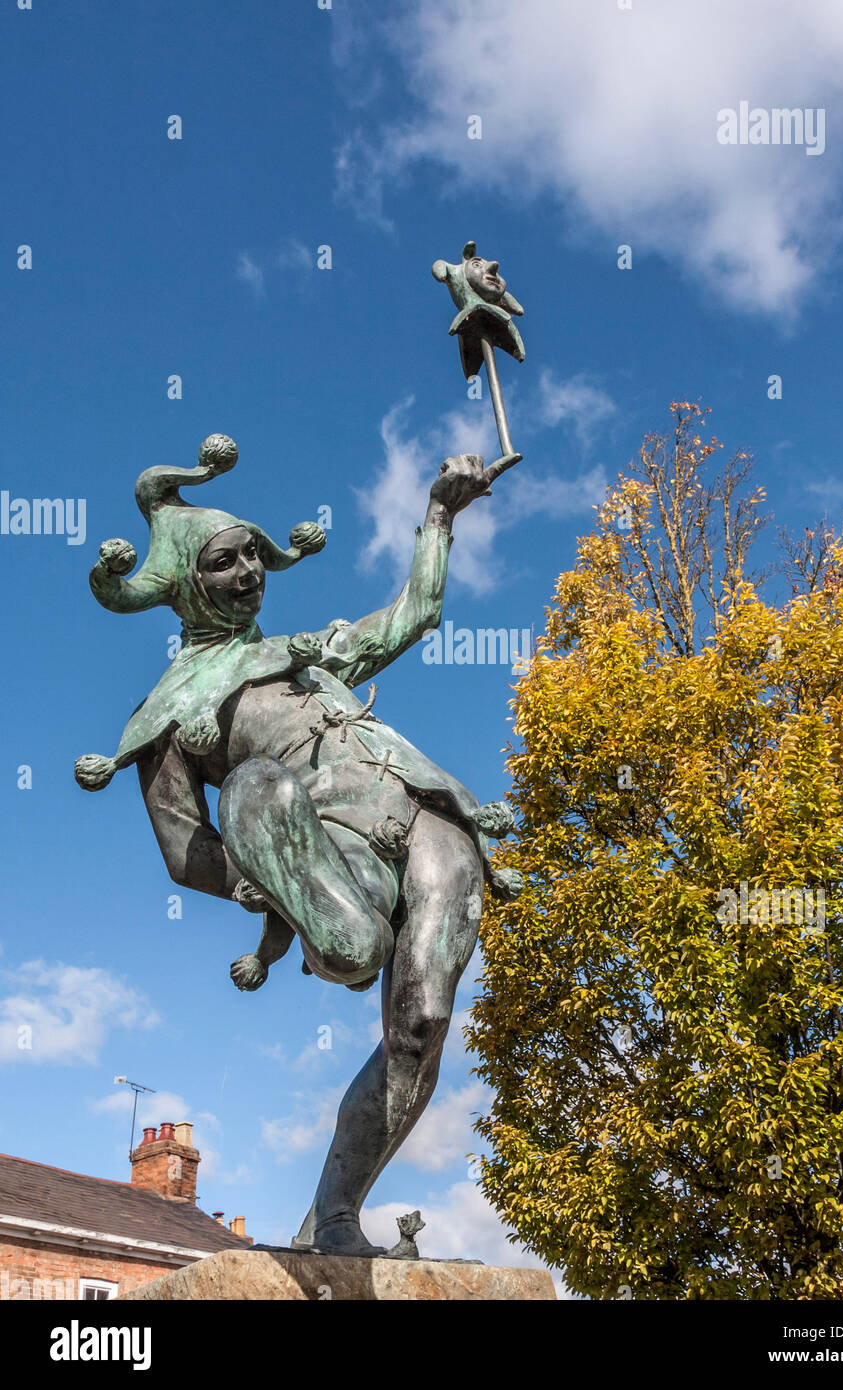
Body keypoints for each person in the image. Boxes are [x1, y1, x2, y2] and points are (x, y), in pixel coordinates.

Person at [75, 433, 523, 1257]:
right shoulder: (165, 713)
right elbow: (184, 848)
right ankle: (330, 915)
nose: (248, 574)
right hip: (325, 844)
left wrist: (437, 514)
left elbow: (415, 613)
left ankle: (332, 1219)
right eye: (224, 563)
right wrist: (261, 882)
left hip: (425, 819)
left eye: (254, 557)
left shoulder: (311, 658)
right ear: (182, 584)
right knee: (330, 905)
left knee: (419, 1023)